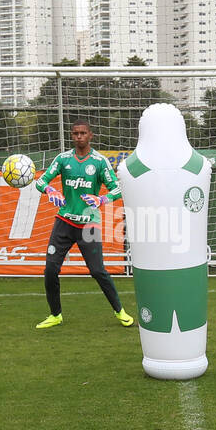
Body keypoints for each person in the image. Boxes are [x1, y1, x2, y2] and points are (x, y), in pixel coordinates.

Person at [33, 119, 135, 329]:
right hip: (64, 222)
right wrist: (50, 190)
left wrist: (101, 199)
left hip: (89, 225)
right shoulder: (63, 159)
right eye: (75, 133)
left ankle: (120, 311)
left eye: (82, 133)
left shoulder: (99, 162)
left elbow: (117, 189)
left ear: (91, 135)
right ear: (72, 136)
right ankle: (55, 315)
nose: (78, 137)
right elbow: (41, 181)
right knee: (50, 270)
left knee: (97, 271)